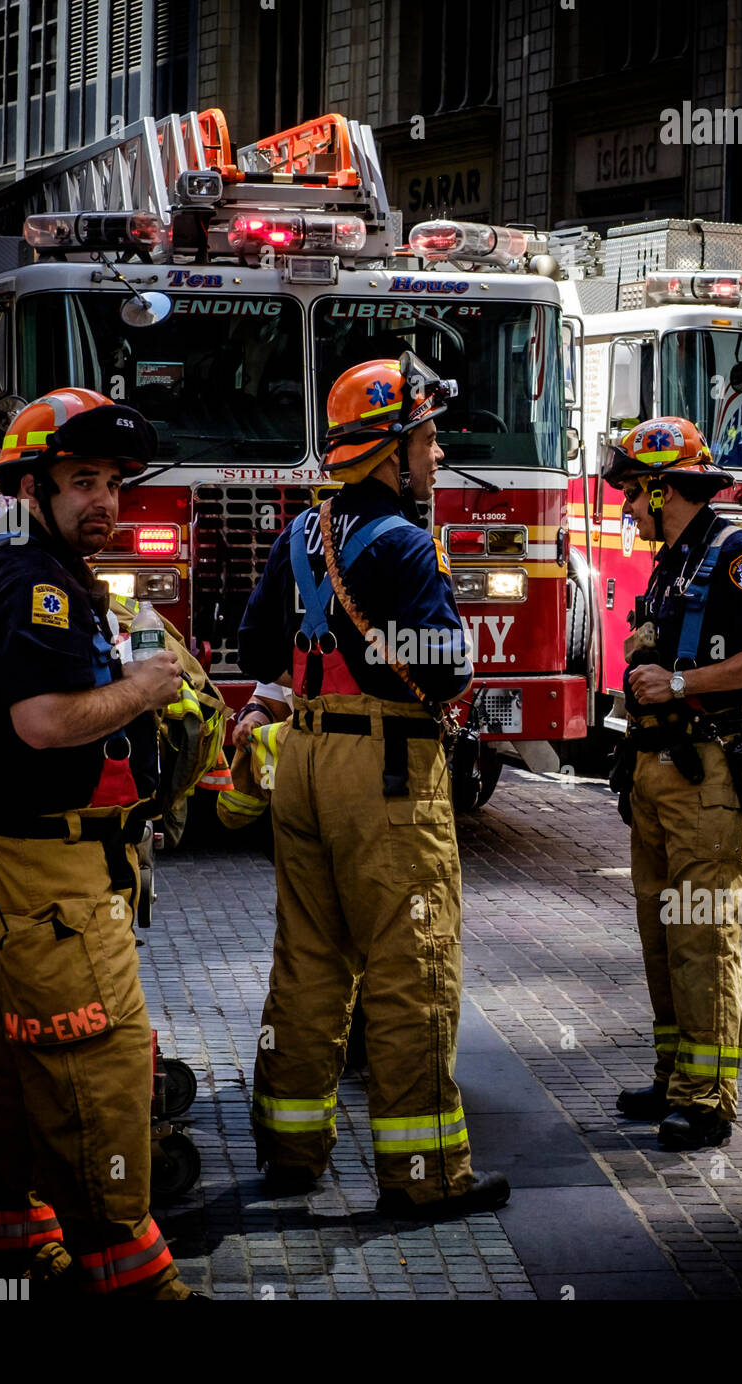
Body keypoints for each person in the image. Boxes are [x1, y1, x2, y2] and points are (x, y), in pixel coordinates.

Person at [0, 387, 195, 1297]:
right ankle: (132, 1278)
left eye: (114, 483)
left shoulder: (28, 568)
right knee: (99, 1062)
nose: (106, 503)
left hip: (24, 861)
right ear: (33, 487)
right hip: (44, 869)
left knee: (13, 1053)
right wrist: (147, 688)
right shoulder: (33, 582)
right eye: (82, 481)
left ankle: (5, 1240)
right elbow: (45, 722)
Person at [238, 354, 509, 1219]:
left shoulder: (301, 535)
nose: (435, 457)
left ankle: (289, 1152)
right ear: (391, 452)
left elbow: (251, 652)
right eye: (427, 440)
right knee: (411, 966)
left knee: (310, 961)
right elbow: (446, 668)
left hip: (305, 760)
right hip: (384, 774)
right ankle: (424, 1177)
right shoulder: (400, 542)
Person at [605, 417, 742, 1151]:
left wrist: (683, 680)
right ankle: (673, 1075)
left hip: (708, 774)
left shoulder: (736, 555)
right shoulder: (672, 560)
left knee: (703, 934)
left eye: (632, 493)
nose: (626, 507)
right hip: (657, 773)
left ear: (665, 488)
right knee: (660, 933)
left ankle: (709, 1097)